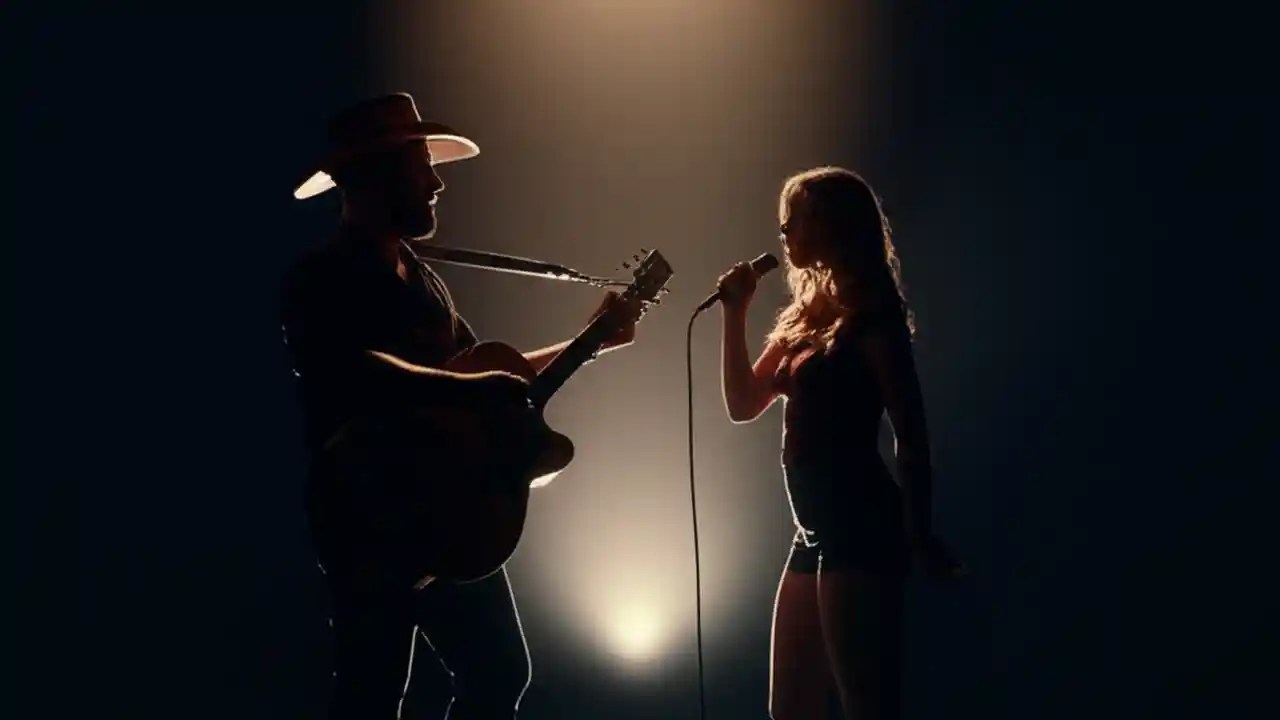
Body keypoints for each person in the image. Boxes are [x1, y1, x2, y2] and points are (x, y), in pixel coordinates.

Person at [279, 93, 638, 719]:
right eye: (422, 167)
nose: (437, 184)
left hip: (448, 511)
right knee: (372, 695)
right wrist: (470, 390)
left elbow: (492, 375)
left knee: (498, 674)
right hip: (369, 518)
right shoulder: (319, 278)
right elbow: (351, 370)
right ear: (377, 174)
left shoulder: (424, 279)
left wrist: (592, 341)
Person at [715, 167, 964, 720]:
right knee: (790, 709)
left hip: (858, 526)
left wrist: (918, 531)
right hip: (813, 532)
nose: (784, 232)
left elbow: (911, 431)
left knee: (865, 705)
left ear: (832, 225)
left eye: (796, 219)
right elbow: (743, 403)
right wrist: (735, 313)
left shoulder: (873, 320)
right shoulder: (806, 317)